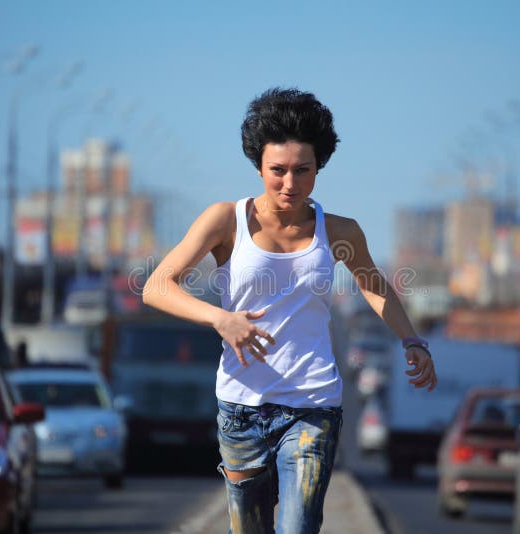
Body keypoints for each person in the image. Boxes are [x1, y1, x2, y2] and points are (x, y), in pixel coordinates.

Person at [141, 87, 437, 533]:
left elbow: (375, 288)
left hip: (312, 405)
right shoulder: (226, 220)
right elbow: (156, 287)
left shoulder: (340, 232)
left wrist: (412, 340)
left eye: (303, 170)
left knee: (298, 528)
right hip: (241, 407)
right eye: (277, 170)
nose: (290, 184)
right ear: (258, 166)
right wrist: (220, 318)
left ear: (319, 167)